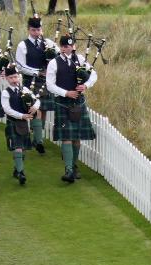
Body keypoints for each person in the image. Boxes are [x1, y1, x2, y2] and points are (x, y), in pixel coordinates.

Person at [43, 33, 95, 183]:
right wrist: (66, 93)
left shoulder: (80, 59)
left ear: (74, 46)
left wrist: (85, 85)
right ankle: (68, 170)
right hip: (62, 103)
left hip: (78, 102)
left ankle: (73, 165)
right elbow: (50, 85)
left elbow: (94, 75)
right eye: (65, 46)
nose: (68, 49)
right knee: (66, 137)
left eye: (70, 46)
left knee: (76, 137)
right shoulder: (54, 63)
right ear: (61, 47)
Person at [13, 15, 53, 153]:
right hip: (31, 81)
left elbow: (57, 56)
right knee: (37, 110)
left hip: (46, 81)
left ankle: (37, 137)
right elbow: (20, 66)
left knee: (44, 110)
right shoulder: (22, 45)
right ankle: (39, 141)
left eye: (39, 29)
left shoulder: (47, 43)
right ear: (29, 30)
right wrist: (38, 72)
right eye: (34, 30)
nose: (37, 32)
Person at [0, 68, 40, 184]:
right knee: (18, 147)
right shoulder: (6, 92)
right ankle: (21, 173)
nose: (14, 80)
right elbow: (7, 109)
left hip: (24, 124)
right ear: (6, 79)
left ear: (19, 77)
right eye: (11, 78)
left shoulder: (25, 89)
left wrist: (35, 107)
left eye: (15, 77)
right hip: (13, 122)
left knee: (23, 149)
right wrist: (21, 116)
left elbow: (37, 100)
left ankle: (17, 169)